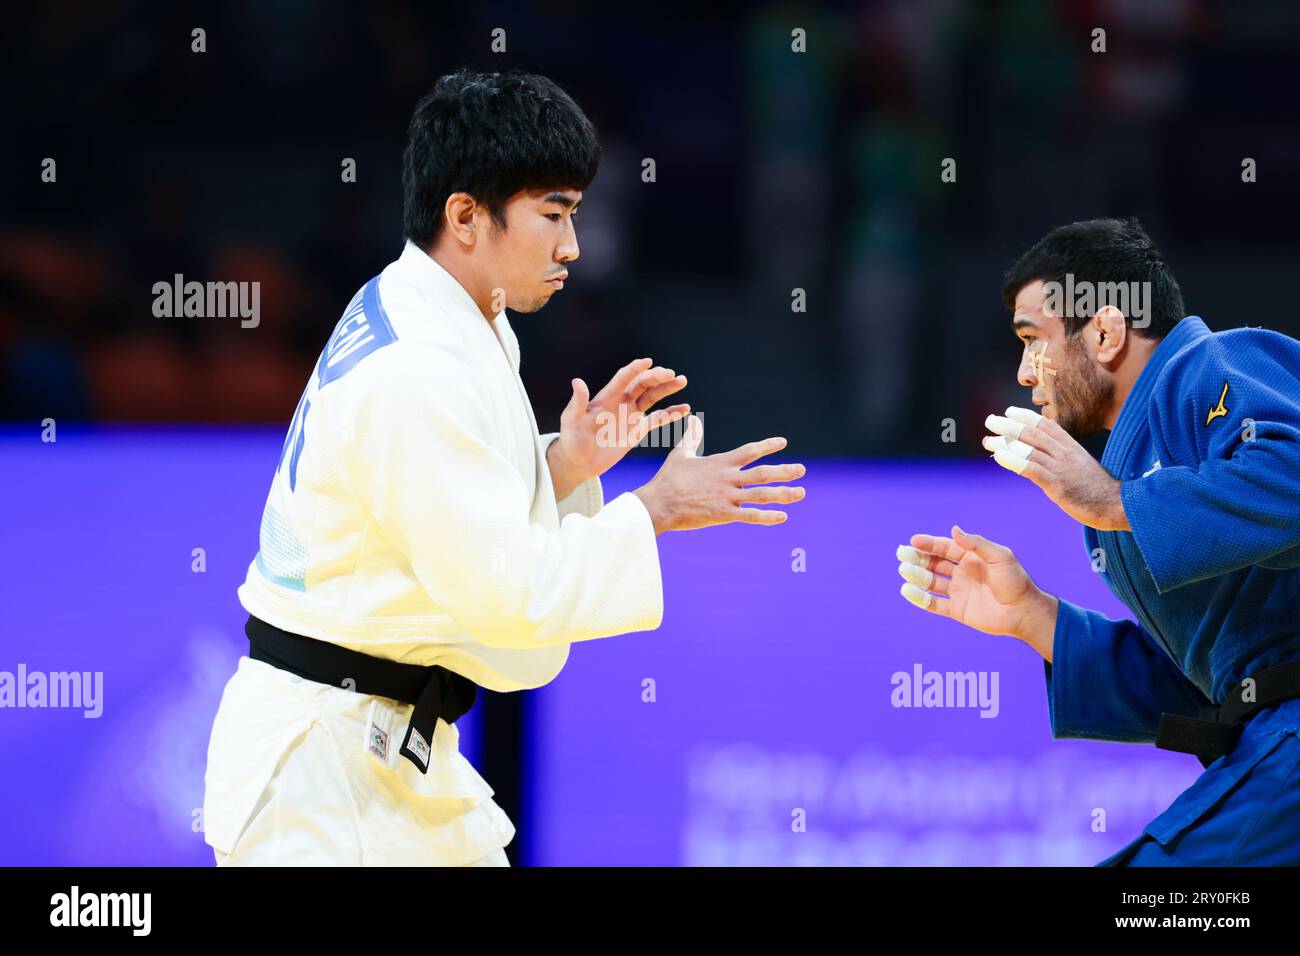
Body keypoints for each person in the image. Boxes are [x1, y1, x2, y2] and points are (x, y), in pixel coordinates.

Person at [202, 69, 806, 866]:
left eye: (575, 214)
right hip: (321, 773)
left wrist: (566, 462)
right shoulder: (418, 364)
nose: (573, 247)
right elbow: (509, 597)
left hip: (381, 746)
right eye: (552, 214)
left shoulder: (449, 312)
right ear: (465, 216)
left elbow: (451, 516)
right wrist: (654, 508)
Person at [897, 217, 1300, 865]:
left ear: (1106, 332)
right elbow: (1212, 685)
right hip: (1269, 742)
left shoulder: (1214, 366)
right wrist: (1036, 618)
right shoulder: (1126, 474)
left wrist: (1116, 504)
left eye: (1034, 340)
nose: (1027, 372)